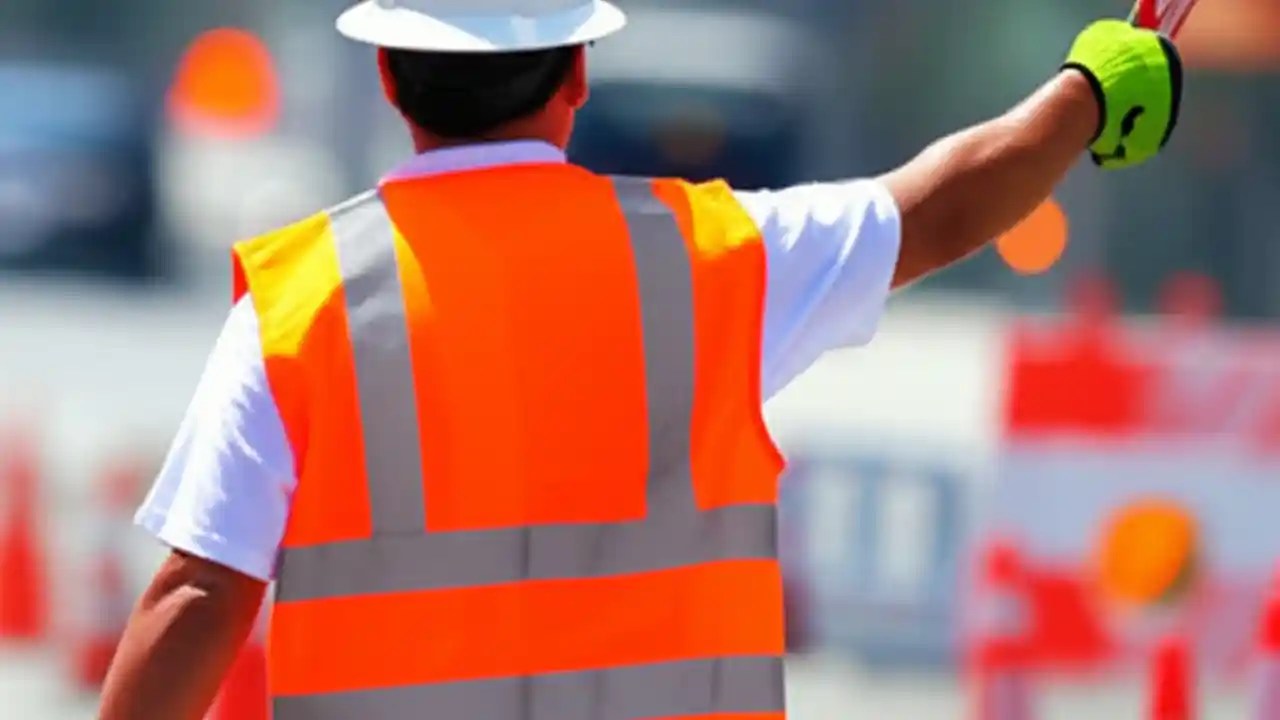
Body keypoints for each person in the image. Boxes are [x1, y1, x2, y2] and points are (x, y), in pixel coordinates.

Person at [98, 1, 1183, 718]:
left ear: (388, 77)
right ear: (576, 73)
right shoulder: (712, 258)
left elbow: (196, 592)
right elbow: (939, 208)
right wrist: (1085, 90)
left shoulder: (301, 302)